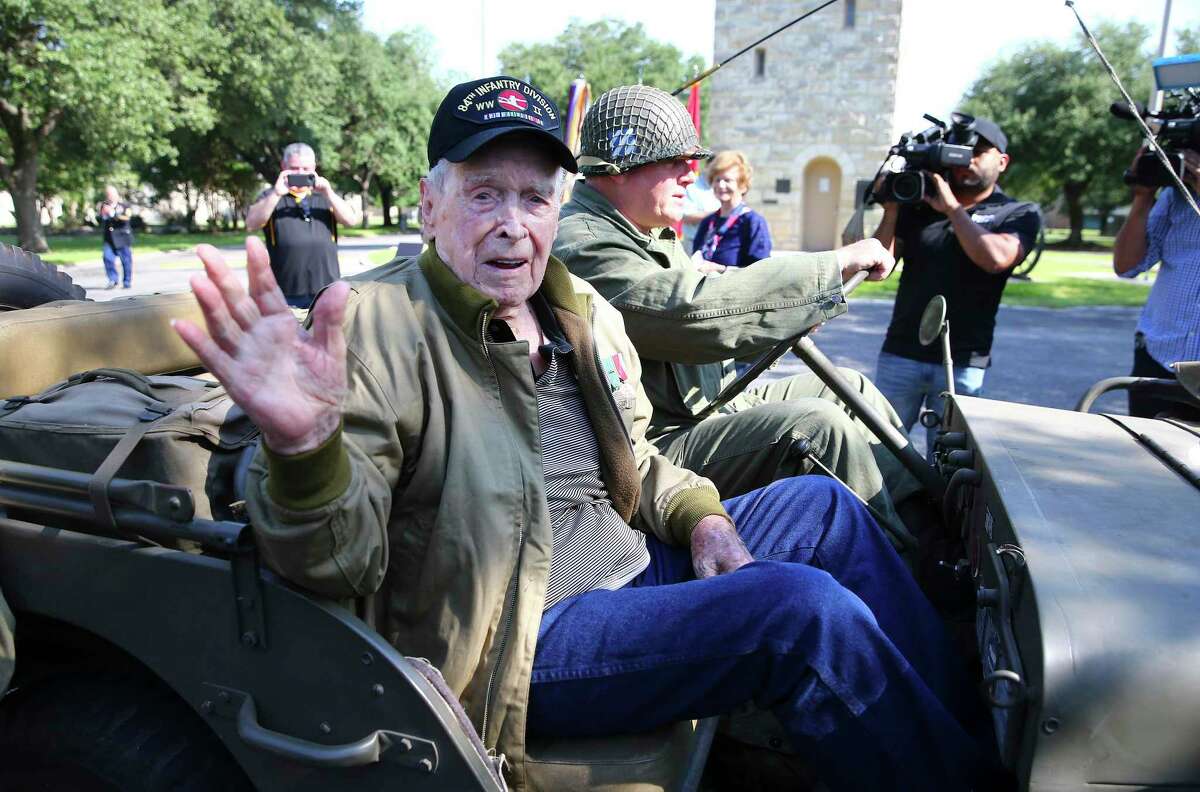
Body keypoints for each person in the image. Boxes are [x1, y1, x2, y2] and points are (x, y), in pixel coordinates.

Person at [173, 76, 993, 792]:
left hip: (631, 562)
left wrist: (702, 516)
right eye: (484, 194)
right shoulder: (372, 328)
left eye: (534, 199)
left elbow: (638, 458)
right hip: (521, 637)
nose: (512, 225)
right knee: (799, 614)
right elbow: (336, 563)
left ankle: (975, 742)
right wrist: (305, 451)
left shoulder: (577, 312)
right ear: (431, 206)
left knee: (822, 506)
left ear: (557, 210)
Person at [554, 84, 921, 549]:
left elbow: (701, 304)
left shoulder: (641, 231)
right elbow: (688, 312)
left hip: (707, 405)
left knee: (852, 388)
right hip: (655, 450)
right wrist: (826, 270)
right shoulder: (584, 242)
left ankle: (927, 524)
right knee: (817, 425)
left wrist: (793, 307)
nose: (692, 175)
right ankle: (906, 571)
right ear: (618, 168)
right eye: (673, 162)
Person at [871, 117, 1041, 445]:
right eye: (962, 151)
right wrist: (891, 209)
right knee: (878, 450)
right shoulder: (919, 205)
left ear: (1002, 161)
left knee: (949, 462)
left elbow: (995, 259)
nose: (968, 160)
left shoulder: (1017, 212)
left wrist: (951, 209)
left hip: (962, 362)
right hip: (900, 352)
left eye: (979, 152)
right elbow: (880, 266)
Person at [1112, 148, 1200, 418]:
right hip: (1158, 356)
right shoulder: (1175, 197)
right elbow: (1126, 265)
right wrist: (1143, 197)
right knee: (1142, 457)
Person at [244, 142, 361, 309]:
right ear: (283, 167)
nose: (300, 173)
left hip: (327, 289)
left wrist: (328, 192)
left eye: (306, 169)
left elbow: (350, 220)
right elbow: (251, 223)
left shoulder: (325, 196)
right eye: (294, 168)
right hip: (286, 292)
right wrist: (277, 193)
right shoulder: (271, 196)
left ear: (314, 168)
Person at [692, 149, 772, 271]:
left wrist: (721, 269)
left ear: (743, 185)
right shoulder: (707, 222)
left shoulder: (753, 222)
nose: (721, 185)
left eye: (727, 180)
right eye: (717, 180)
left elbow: (761, 272)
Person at [98, 186, 134, 290]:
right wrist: (105, 213)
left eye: (112, 194)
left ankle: (127, 282)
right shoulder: (104, 206)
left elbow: (126, 219)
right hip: (109, 239)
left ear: (117, 195)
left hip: (122, 238)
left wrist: (112, 213)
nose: (110, 197)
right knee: (107, 258)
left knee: (126, 261)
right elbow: (102, 218)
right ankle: (113, 280)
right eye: (108, 194)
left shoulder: (124, 206)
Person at [680, 168, 720, 252]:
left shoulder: (721, 185)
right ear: (709, 166)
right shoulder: (692, 186)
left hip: (716, 243)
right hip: (694, 243)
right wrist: (717, 213)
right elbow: (685, 217)